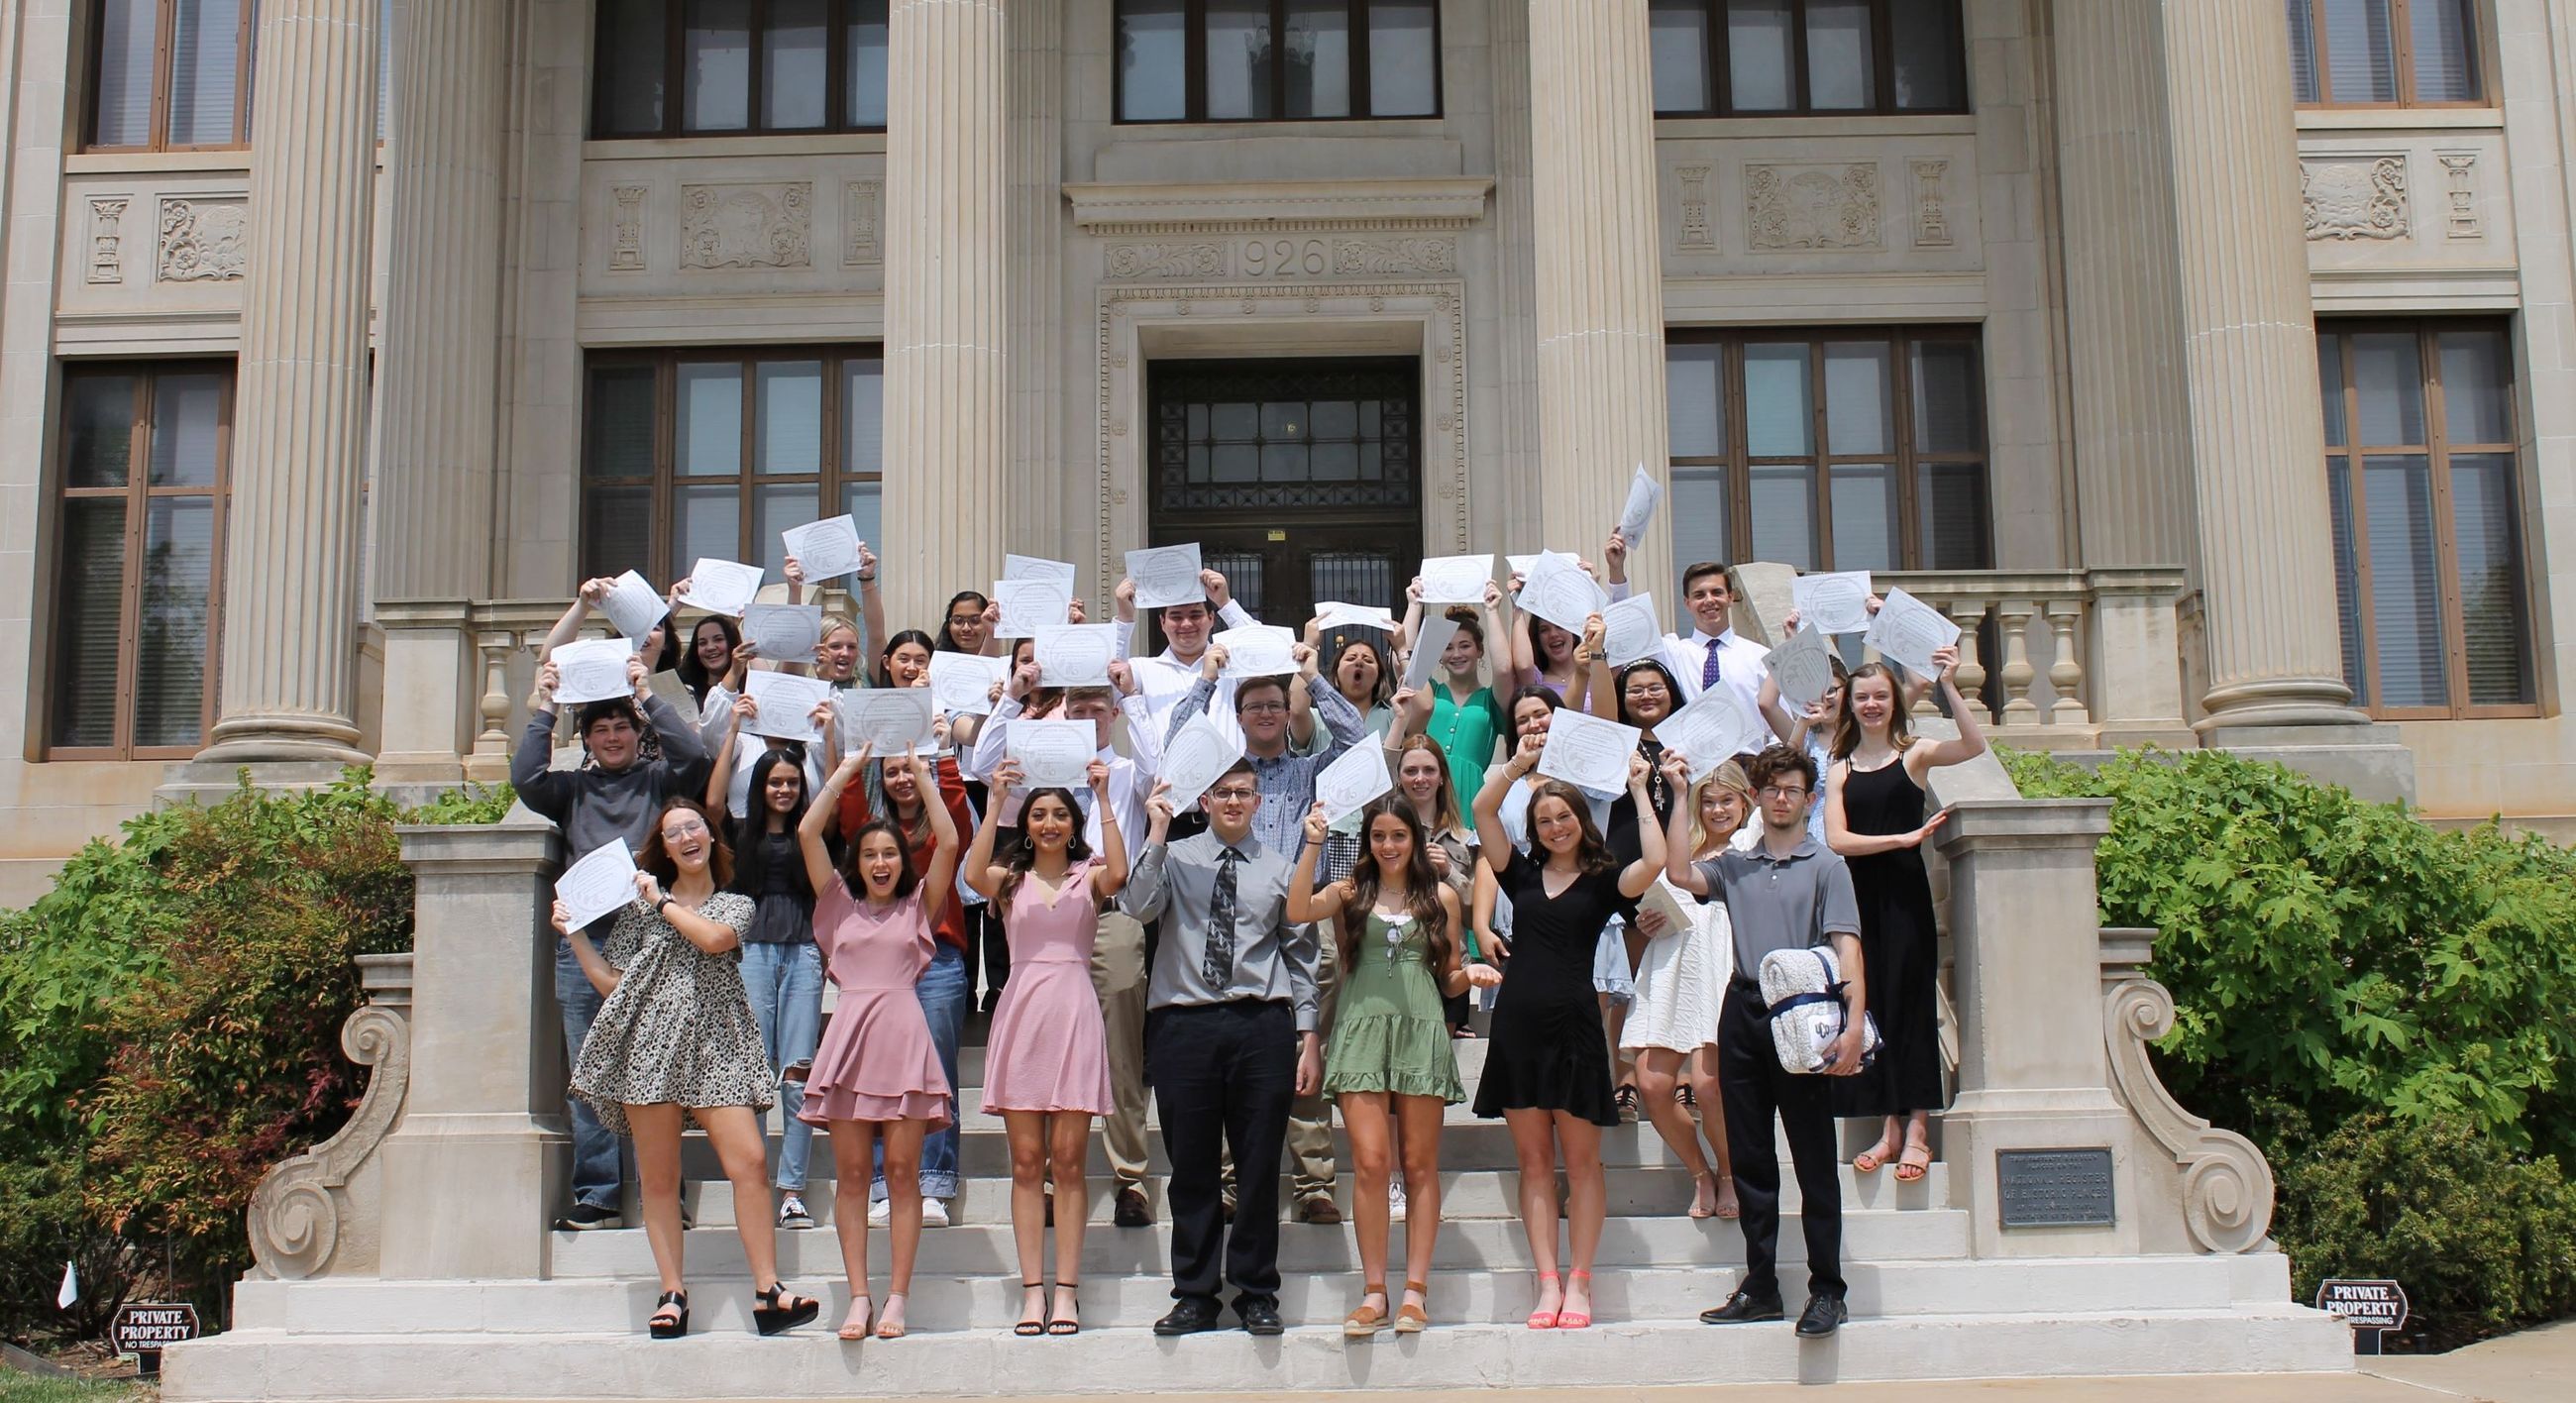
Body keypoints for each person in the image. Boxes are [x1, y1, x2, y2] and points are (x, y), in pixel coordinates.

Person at [551, 798, 819, 1340]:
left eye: (694, 826)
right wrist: (576, 934)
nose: (686, 836)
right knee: (658, 1176)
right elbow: (613, 983)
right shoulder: (639, 912)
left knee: (748, 1162)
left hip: (717, 1046)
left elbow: (715, 941)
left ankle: (768, 1290)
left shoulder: (734, 904)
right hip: (648, 1047)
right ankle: (672, 1291)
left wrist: (661, 902)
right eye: (674, 833)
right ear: (664, 849)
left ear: (711, 839)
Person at [1667, 743, 1867, 1339]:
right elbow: (1679, 873)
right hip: (1746, 1006)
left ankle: (1827, 1289)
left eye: (1793, 790)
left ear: (1809, 800)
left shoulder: (1828, 865)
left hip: (1804, 1013)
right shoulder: (1736, 864)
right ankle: (1761, 1285)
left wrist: (1854, 1023)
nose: (1782, 798)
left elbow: (1848, 946)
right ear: (1757, 797)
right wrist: (1680, 797)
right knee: (1752, 1157)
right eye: (1772, 789)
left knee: (1811, 1157)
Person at [1118, 761, 1323, 1338]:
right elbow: (1135, 906)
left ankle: (1257, 1291)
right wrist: (1156, 832)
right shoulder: (1176, 858)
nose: (1234, 802)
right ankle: (1195, 1293)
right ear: (1204, 800)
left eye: (1245, 793)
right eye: (1224, 793)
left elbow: (1301, 955)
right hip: (1186, 1024)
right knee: (1193, 1168)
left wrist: (1307, 1035)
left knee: (1258, 1165)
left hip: (1261, 1024)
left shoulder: (1283, 869)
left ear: (1259, 802)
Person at [1467, 736, 1664, 1332]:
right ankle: (1546, 1281)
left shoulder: (1605, 881)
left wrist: (1638, 789)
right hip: (1518, 1027)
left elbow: (1653, 862)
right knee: (1532, 1163)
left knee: (1582, 1165)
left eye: (1565, 816)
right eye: (1545, 819)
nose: (1555, 826)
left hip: (1577, 1029)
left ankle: (1581, 1280)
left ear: (1582, 821)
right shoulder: (1518, 873)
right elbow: (1481, 811)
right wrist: (1520, 766)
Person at [513, 642, 709, 1233]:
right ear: (589, 739)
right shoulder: (571, 790)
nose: (613, 737)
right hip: (585, 947)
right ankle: (597, 1192)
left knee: (659, 1070)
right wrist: (545, 709)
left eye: (622, 726)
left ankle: (660, 1192)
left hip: (655, 944)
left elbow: (694, 756)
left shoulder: (658, 781)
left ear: (635, 731)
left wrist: (645, 692)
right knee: (589, 1071)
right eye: (601, 729)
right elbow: (525, 777)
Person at [1165, 641, 1363, 1225]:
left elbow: (1354, 741)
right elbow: (1179, 742)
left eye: (1276, 704)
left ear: (1287, 709)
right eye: (1254, 706)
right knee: (1234, 1059)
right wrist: (1206, 681)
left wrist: (1313, 679)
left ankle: (1313, 1184)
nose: (1266, 714)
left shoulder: (1310, 770)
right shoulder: (1224, 775)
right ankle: (1229, 1182)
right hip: (1235, 923)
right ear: (1240, 714)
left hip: (1299, 918)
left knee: (1306, 1051)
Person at [969, 667, 1163, 1228]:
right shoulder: (1041, 773)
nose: (1087, 714)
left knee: (1121, 1051)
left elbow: (1160, 770)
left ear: (1113, 714)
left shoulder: (1127, 769)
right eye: (1077, 707)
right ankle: (1049, 1178)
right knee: (1045, 1052)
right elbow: (985, 769)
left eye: (1098, 707)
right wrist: (1012, 700)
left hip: (1108, 911)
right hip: (1041, 909)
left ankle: (1130, 1176)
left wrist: (1131, 693)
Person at [1289, 798, 1476, 1337]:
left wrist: (1477, 976)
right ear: (1366, 841)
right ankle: (1374, 1290)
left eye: (1398, 835)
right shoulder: (1352, 891)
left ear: (1415, 840)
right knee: (1371, 1163)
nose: (1388, 846)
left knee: (1419, 1165)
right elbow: (1298, 909)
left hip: (1421, 1031)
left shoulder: (1441, 896)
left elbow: (1449, 977)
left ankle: (1415, 1290)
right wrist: (1314, 844)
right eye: (1378, 836)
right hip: (1360, 1032)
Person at [965, 760, 1136, 1337]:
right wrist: (995, 804)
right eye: (1038, 815)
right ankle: (1031, 1292)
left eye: (1060, 814)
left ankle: (1067, 1290)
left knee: (1067, 1162)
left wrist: (1105, 794)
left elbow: (1121, 869)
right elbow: (971, 872)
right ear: (1027, 823)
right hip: (1022, 1014)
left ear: (1073, 822)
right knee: (1025, 1164)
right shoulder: (1007, 879)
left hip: (1074, 1015)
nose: (1048, 824)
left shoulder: (1089, 874)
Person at [797, 745, 960, 1341]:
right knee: (851, 1176)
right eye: (870, 854)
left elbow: (947, 841)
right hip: (848, 1042)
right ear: (857, 863)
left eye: (889, 852)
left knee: (901, 1172)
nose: (881, 862)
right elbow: (809, 830)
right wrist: (848, 768)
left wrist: (920, 770)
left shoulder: (920, 906)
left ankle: (896, 1297)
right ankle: (859, 1298)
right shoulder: (837, 905)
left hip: (904, 1040)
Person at [1827, 650, 1982, 1183]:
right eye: (1862, 697)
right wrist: (1903, 838)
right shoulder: (1839, 767)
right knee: (1874, 1007)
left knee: (1911, 1005)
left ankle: (1916, 1127)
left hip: (1904, 896)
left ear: (1895, 704)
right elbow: (1836, 839)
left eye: (1880, 697)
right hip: (1858, 897)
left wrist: (1948, 686)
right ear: (1850, 705)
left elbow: (1973, 745)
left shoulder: (1913, 754)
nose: (1871, 705)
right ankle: (1888, 1127)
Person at [837, 742, 975, 1228]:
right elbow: (850, 811)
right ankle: (882, 1185)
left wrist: (940, 766)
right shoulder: (876, 839)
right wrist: (852, 758)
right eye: (893, 771)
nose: (903, 779)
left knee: (935, 1071)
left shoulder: (936, 834)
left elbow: (955, 825)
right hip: (880, 968)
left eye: (910, 771)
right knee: (877, 1076)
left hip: (937, 958)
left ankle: (934, 1181)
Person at [1627, 757, 1752, 1221]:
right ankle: (1698, 1171)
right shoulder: (1683, 849)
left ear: (1745, 803)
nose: (1718, 810)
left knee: (1708, 1083)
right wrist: (1646, 920)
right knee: (1653, 1082)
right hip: (1673, 965)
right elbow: (1659, 900)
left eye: (1727, 801)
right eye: (1709, 801)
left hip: (1724, 965)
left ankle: (1729, 1172)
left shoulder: (1752, 844)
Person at [716, 746, 830, 1231]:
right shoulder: (741, 835)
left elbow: (833, 797)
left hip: (803, 948)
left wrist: (828, 736)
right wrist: (734, 732)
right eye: (774, 782)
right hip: (753, 953)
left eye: (792, 782)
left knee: (799, 1072)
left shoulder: (812, 834)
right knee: (755, 1074)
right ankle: (756, 1181)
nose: (784, 790)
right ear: (760, 787)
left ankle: (792, 1190)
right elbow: (713, 802)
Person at [1396, 583, 1512, 816]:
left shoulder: (1491, 699)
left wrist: (1492, 611)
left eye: (1465, 646)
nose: (1456, 654)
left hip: (1470, 796)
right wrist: (1414, 606)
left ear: (1479, 650)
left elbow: (1504, 669)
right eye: (1448, 648)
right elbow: (1403, 661)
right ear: (1439, 655)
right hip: (1425, 790)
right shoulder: (1433, 693)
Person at [1114, 568, 1258, 748]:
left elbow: (1261, 655)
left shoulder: (1231, 664)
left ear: (1211, 618)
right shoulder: (1142, 669)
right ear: (1162, 623)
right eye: (1176, 616)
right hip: (1166, 775)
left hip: (1231, 775)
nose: (1187, 624)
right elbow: (1109, 686)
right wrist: (1124, 618)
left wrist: (1225, 603)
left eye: (1195, 615)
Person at [1645, 561, 1768, 714]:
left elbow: (1778, 726)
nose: (1709, 600)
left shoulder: (1760, 657)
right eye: (1699, 595)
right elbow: (1629, 635)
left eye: (1716, 592)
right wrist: (1617, 572)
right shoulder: (1672, 653)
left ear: (1730, 598)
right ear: (1687, 603)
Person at [675, 614, 742, 711]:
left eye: (718, 639)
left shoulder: (750, 687)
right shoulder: (683, 690)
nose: (710, 647)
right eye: (702, 643)